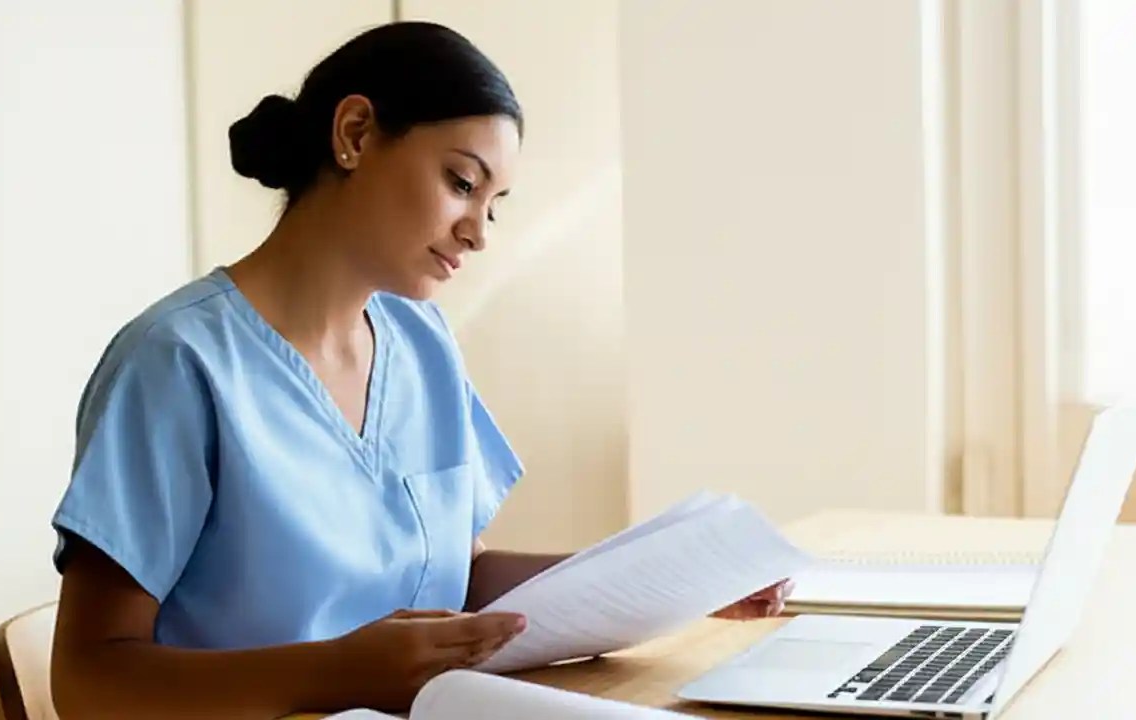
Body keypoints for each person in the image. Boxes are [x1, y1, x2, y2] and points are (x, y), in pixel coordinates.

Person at [47, 20, 788, 719]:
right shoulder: (178, 364)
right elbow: (88, 680)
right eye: (463, 184)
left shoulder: (421, 343)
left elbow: (458, 581)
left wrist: (672, 580)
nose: (477, 231)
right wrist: (337, 672)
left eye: (495, 206)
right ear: (355, 134)